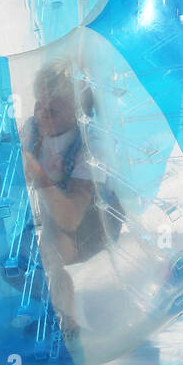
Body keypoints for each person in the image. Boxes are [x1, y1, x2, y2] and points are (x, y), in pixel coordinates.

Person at [18, 59, 122, 334]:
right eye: (40, 101)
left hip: (92, 222)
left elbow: (71, 218)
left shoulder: (90, 145)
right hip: (53, 214)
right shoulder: (32, 130)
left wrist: (38, 175)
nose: (43, 111)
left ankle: (67, 326)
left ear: (79, 107)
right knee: (12, 257)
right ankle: (34, 307)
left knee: (46, 254)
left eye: (55, 104)